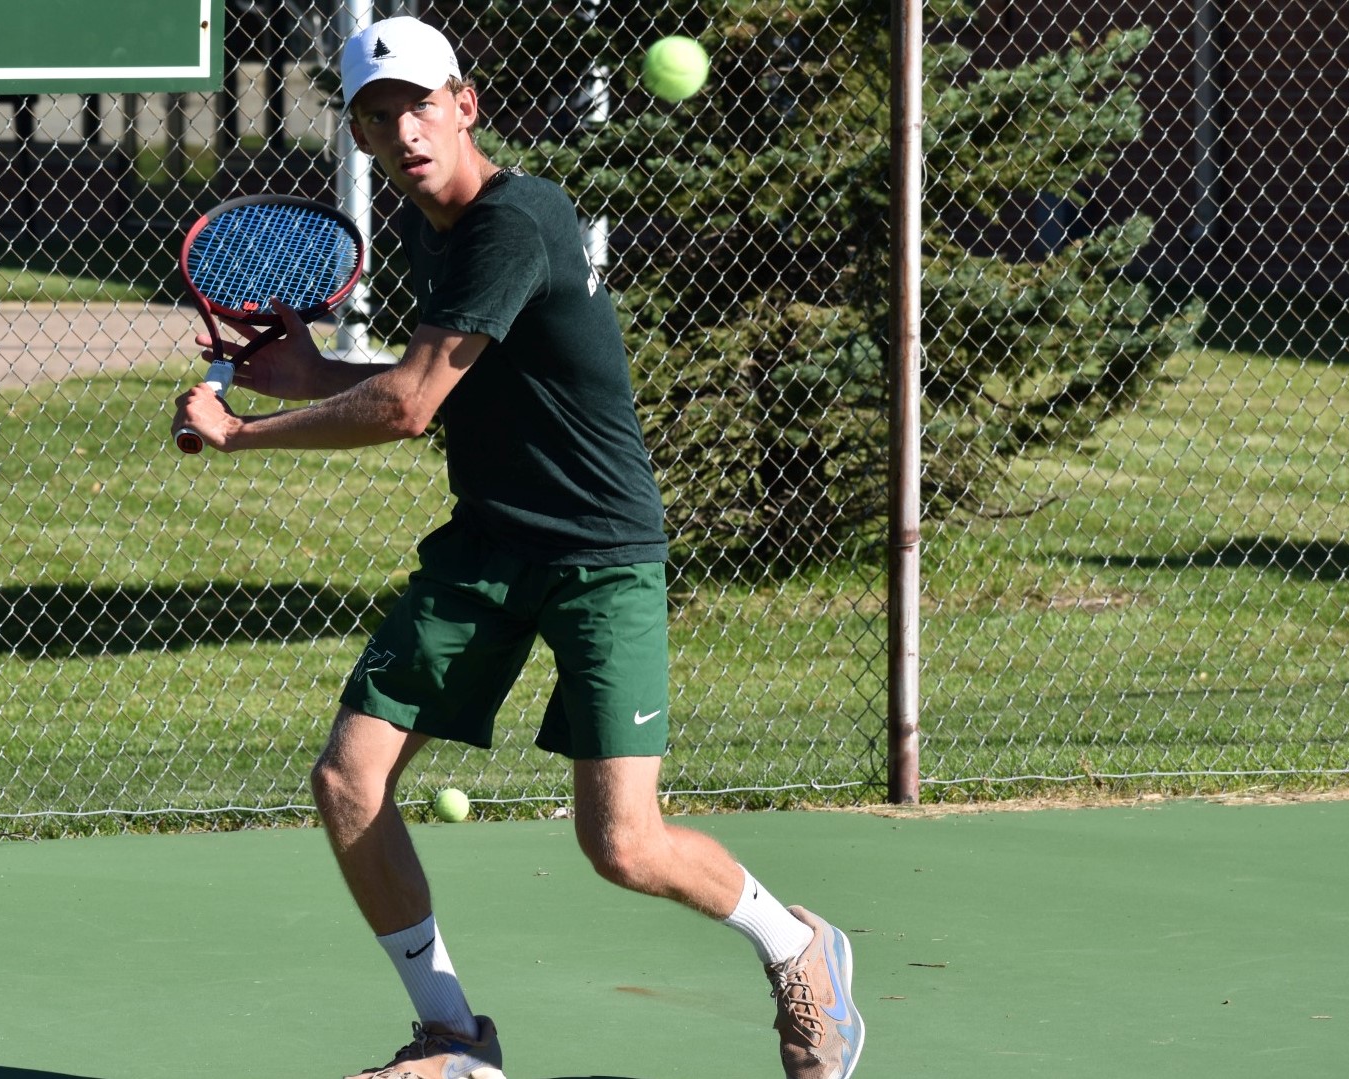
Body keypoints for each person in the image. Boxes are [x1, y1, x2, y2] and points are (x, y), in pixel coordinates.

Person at [171, 16, 864, 1079]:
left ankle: (800, 945)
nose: (402, 130)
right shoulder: (428, 229)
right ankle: (452, 1037)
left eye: (417, 104)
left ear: (465, 104)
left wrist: (240, 432)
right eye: (375, 115)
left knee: (622, 843)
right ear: (359, 135)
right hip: (487, 543)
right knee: (349, 780)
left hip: (599, 549)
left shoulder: (515, 218)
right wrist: (304, 379)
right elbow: (443, 385)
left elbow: (405, 406)